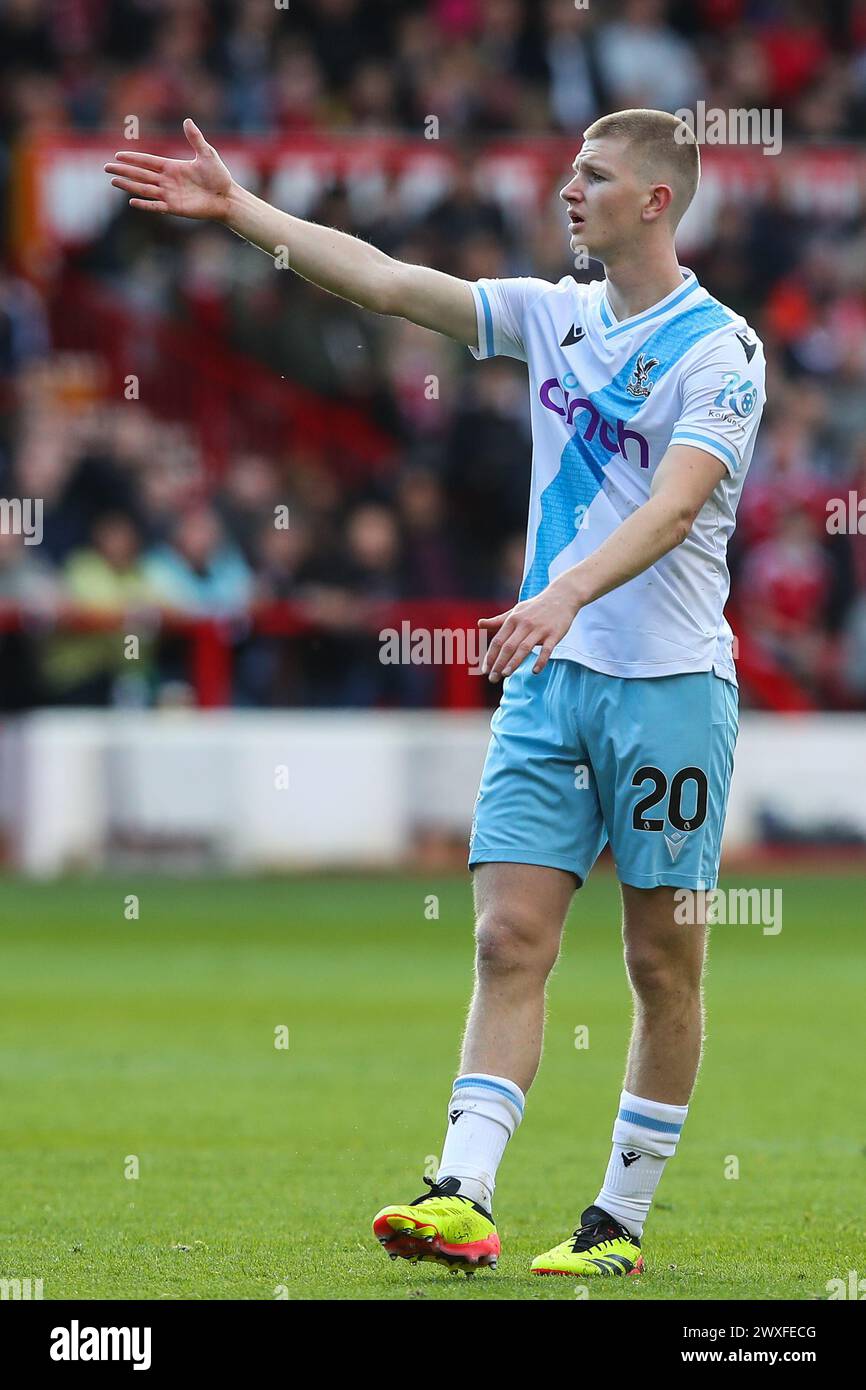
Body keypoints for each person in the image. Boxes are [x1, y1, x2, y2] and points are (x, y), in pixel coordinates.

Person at [104, 107, 766, 1278]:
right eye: (568, 170)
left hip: (664, 687)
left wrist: (562, 594)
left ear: (656, 201)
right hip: (548, 683)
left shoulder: (721, 350)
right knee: (510, 937)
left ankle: (615, 1221)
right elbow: (390, 282)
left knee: (663, 961)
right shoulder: (555, 314)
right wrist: (240, 208)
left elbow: (674, 507)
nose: (569, 189)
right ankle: (460, 1191)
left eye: (595, 176)